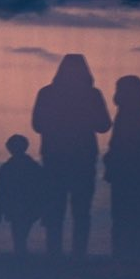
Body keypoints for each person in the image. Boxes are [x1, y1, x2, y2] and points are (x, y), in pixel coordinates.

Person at [30, 53, 109, 254]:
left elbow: (37, 125)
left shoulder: (47, 93)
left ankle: (54, 253)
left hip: (54, 159)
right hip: (83, 158)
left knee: (55, 209)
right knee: (82, 211)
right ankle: (79, 253)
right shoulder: (92, 95)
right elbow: (104, 125)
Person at [103, 74, 140, 258]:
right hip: (138, 173)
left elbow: (120, 144)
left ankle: (124, 254)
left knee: (122, 215)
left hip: (126, 173)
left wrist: (111, 161)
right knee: (135, 215)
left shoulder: (127, 115)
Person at [0, 134, 50, 254]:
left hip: (22, 205)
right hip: (27, 206)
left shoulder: (8, 167)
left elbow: (0, 190)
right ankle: (21, 254)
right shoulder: (33, 167)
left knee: (18, 233)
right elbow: (43, 190)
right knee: (20, 233)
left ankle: (20, 254)